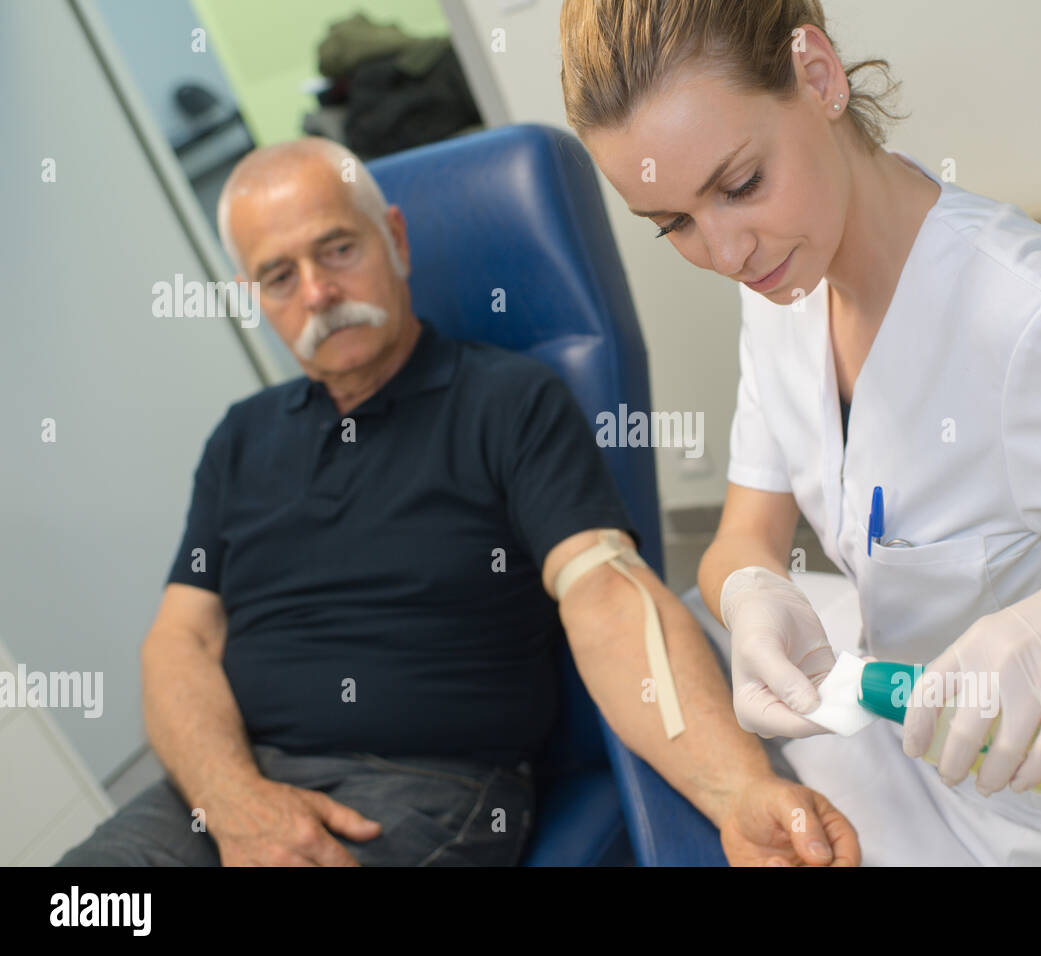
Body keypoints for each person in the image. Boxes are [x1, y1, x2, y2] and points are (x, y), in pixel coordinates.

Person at [559, 0, 1041, 865]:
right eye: (676, 224)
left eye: (739, 185)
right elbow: (739, 537)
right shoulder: (784, 286)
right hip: (898, 741)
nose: (725, 253)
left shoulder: (1034, 321)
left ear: (818, 77)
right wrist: (749, 591)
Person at [55, 137, 859, 867]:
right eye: (279, 275)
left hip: (416, 791)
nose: (318, 292)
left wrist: (737, 792)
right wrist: (231, 800)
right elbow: (177, 643)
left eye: (337, 248)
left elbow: (611, 596)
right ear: (255, 296)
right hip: (217, 789)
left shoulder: (507, 402)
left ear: (395, 240)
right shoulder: (240, 439)